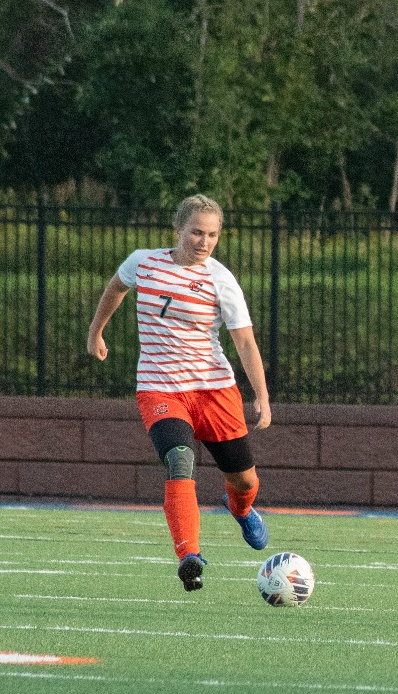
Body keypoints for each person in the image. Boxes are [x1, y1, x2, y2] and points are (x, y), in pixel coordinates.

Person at [86, 194, 273, 592]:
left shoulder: (221, 280)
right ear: (178, 230)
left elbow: (244, 341)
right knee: (179, 459)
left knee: (244, 481)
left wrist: (262, 395)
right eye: (197, 233)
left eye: (212, 235)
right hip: (159, 387)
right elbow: (116, 289)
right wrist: (96, 331)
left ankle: (240, 509)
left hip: (214, 390)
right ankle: (189, 555)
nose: (204, 242)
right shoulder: (143, 262)